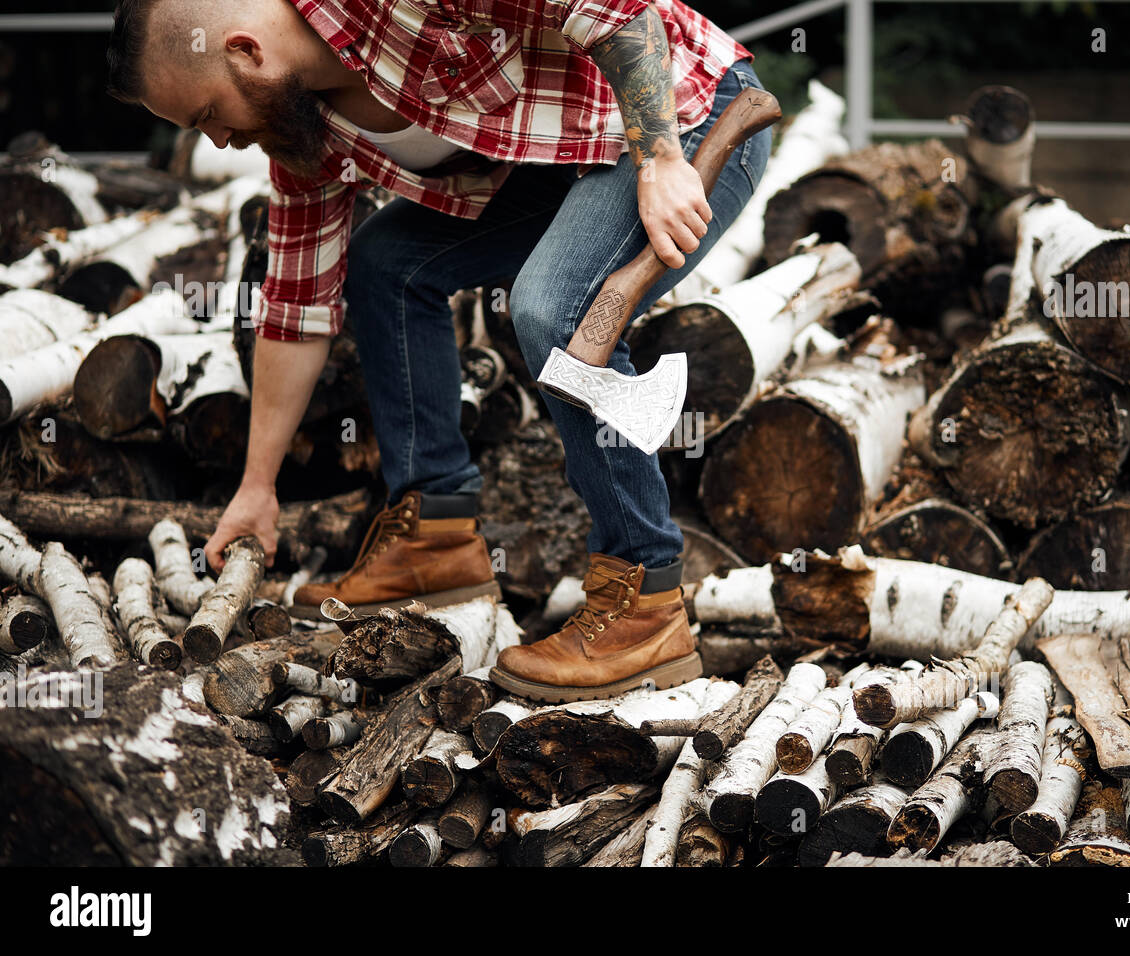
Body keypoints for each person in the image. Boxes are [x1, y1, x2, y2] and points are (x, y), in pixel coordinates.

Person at [106, 0, 771, 702]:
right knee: (387, 262)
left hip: (686, 113)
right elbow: (294, 310)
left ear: (245, 53)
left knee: (552, 306)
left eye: (207, 114)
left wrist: (661, 157)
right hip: (565, 154)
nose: (218, 142)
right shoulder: (304, 133)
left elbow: (617, 10)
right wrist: (257, 487)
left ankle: (646, 600)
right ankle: (436, 535)